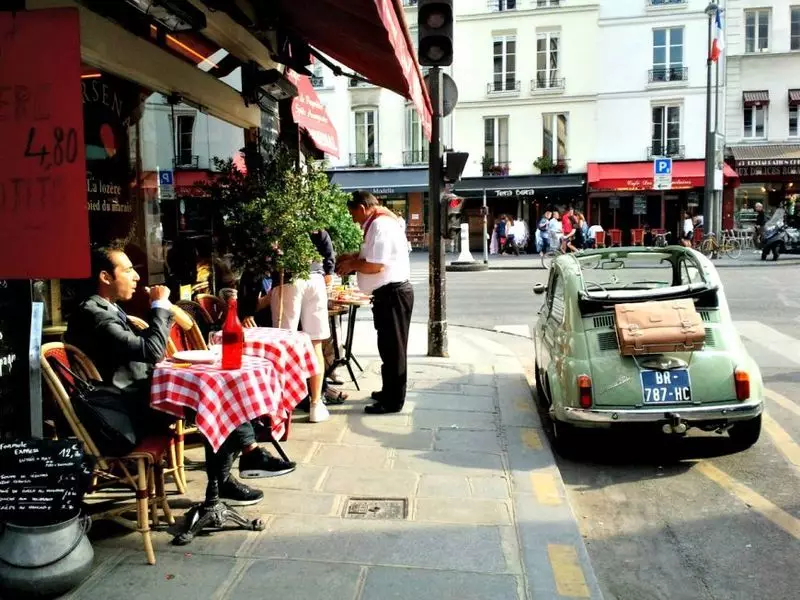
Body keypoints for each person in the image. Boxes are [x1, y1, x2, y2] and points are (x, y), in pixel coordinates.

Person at [66, 245, 296, 507]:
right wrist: (159, 307)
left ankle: (235, 470)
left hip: (137, 395)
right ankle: (233, 473)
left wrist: (162, 311)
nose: (136, 277)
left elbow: (148, 345)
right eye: (128, 270)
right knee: (215, 399)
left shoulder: (107, 307)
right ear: (105, 277)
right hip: (123, 409)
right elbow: (151, 350)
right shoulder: (94, 313)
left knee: (217, 394)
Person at [336, 191, 413, 415]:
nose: (353, 219)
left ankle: (393, 400)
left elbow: (376, 265)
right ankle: (389, 390)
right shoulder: (379, 223)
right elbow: (372, 256)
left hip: (393, 294)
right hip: (387, 295)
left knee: (393, 349)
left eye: (353, 214)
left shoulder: (380, 225)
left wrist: (351, 265)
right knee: (387, 347)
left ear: (361, 208)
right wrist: (352, 257)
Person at [270, 229, 335, 423]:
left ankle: (282, 405)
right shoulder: (314, 221)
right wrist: (328, 272)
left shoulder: (278, 219)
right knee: (315, 343)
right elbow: (328, 251)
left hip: (289, 279)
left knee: (283, 342)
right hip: (315, 279)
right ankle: (316, 403)